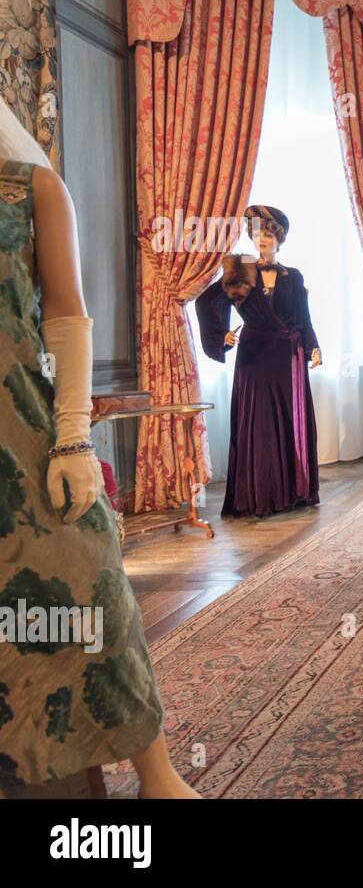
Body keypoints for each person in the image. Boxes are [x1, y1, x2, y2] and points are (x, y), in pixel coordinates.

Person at [0, 97, 196, 796]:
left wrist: (75, 438)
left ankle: (156, 770)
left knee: (90, 584)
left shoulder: (31, 189)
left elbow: (65, 316)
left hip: (21, 434)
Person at [195, 205, 321, 518]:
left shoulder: (294, 277)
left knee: (289, 425)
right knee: (260, 427)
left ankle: (291, 493)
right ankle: (258, 496)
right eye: (256, 234)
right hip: (253, 357)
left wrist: (313, 348)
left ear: (280, 239)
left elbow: (304, 319)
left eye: (267, 234)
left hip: (287, 359)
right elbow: (207, 301)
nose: (261, 239)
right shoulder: (240, 271)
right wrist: (221, 334)